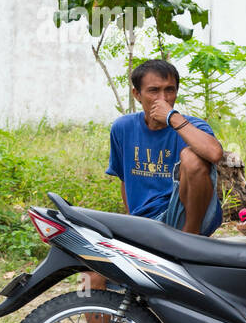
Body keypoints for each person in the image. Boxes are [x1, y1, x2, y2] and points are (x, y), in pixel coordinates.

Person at [84, 59, 225, 294]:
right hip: (145, 226)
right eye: (154, 91)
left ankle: (189, 243)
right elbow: (124, 180)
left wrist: (174, 118)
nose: (163, 98)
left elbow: (214, 153)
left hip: (185, 217)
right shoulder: (122, 128)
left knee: (192, 157)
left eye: (169, 90)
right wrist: (130, 226)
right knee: (89, 278)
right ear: (137, 94)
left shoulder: (190, 127)